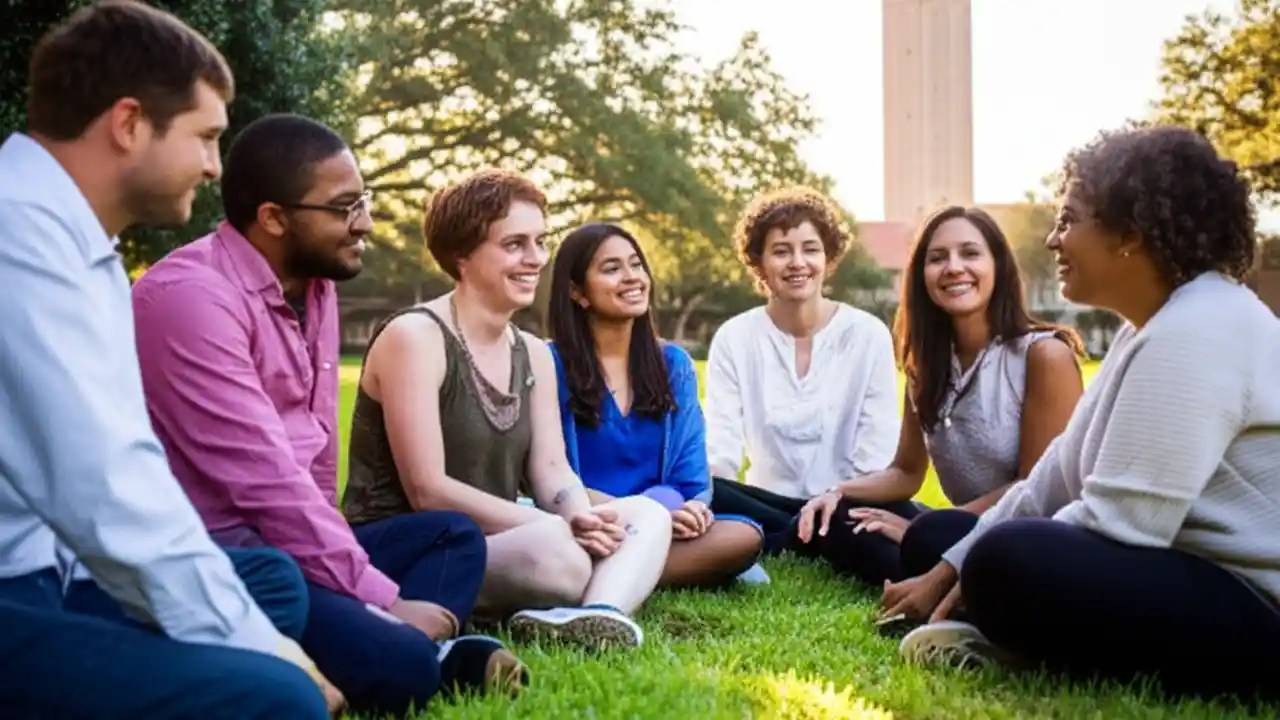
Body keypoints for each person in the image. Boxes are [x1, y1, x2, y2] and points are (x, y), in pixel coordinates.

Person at [0, 3, 334, 717]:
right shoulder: (19, 236)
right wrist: (264, 647)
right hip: (17, 587)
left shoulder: (70, 239)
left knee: (271, 581)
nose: (216, 166)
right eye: (206, 137)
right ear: (128, 124)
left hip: (57, 569)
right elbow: (104, 485)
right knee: (283, 698)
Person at [132, 114, 527, 715]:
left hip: (296, 543)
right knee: (400, 670)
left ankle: (387, 643)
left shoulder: (314, 288)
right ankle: (418, 652)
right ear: (274, 218)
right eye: (345, 207)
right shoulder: (190, 299)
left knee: (451, 535)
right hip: (228, 556)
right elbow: (264, 481)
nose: (365, 222)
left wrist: (352, 572)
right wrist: (381, 597)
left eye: (363, 200)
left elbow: (313, 461)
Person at [887, 126, 1280, 701]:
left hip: (1256, 603)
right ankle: (1002, 620)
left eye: (1068, 220)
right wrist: (949, 566)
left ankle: (1014, 638)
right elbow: (1053, 474)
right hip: (1185, 565)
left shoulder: (1202, 327)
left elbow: (1119, 522)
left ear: (1129, 233)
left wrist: (978, 569)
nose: (1052, 239)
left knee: (1006, 559)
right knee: (939, 536)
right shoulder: (1145, 330)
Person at [343, 169, 671, 649]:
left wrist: (581, 514)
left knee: (648, 514)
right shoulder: (415, 337)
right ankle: (586, 590)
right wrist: (555, 525)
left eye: (540, 242)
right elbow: (427, 490)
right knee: (559, 552)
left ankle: (597, 615)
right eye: (515, 244)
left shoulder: (533, 352)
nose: (536, 259)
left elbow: (552, 469)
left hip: (507, 534)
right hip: (417, 542)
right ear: (462, 254)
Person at [792, 206, 1083, 587]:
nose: (953, 267)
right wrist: (839, 490)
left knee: (928, 536)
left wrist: (923, 526)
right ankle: (939, 573)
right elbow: (906, 472)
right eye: (938, 258)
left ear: (998, 266)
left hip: (1035, 534)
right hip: (962, 526)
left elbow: (1037, 487)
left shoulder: (1043, 356)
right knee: (849, 516)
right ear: (921, 276)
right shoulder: (926, 366)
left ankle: (944, 572)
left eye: (970, 253)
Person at [546, 222, 765, 588]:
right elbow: (549, 480)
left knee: (744, 537)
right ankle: (625, 572)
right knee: (553, 544)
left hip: (664, 520)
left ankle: (605, 574)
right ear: (577, 292)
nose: (632, 277)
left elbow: (691, 475)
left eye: (636, 264)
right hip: (582, 522)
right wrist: (644, 516)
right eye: (612, 269)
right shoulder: (550, 365)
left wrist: (690, 509)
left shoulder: (674, 365)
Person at [705, 186, 900, 551]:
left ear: (828, 258)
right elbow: (720, 449)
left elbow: (878, 451)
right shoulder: (734, 338)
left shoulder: (868, 334)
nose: (797, 262)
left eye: (810, 249)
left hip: (846, 502)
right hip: (765, 502)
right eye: (781, 251)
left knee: (876, 520)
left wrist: (839, 498)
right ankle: (787, 535)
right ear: (759, 263)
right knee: (708, 491)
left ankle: (786, 539)